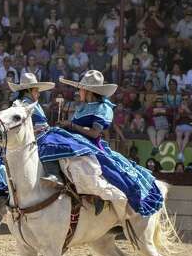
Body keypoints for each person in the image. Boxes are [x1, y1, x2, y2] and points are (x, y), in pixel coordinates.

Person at [58, 71, 165, 219]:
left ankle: (101, 198)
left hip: (91, 147)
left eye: (81, 88)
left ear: (89, 91)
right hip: (76, 144)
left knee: (105, 173)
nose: (79, 91)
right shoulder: (81, 107)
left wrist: (71, 125)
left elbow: (95, 133)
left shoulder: (102, 108)